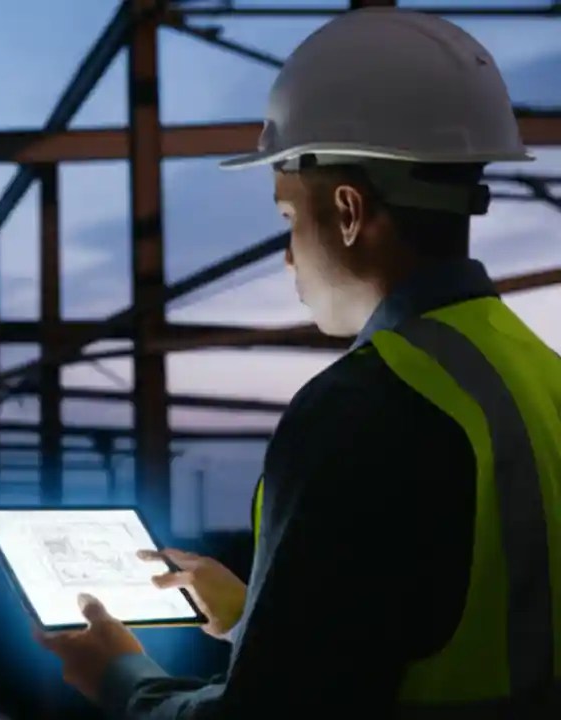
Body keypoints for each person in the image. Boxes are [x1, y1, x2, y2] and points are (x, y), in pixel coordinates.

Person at [37, 7, 561, 718]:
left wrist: (123, 678)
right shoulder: (541, 376)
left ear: (347, 211)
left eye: (287, 217)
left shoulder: (362, 409)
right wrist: (257, 614)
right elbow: (448, 612)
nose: (286, 255)